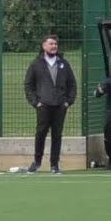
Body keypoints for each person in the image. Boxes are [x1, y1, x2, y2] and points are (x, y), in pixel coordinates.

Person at [23, 34, 76, 174]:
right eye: (51, 44)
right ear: (44, 46)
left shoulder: (63, 63)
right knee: (41, 133)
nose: (54, 46)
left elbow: (72, 84)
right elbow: (28, 85)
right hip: (44, 105)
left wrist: (68, 101)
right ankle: (37, 162)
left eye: (55, 44)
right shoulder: (36, 64)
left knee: (57, 135)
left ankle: (54, 165)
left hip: (60, 105)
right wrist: (36, 102)